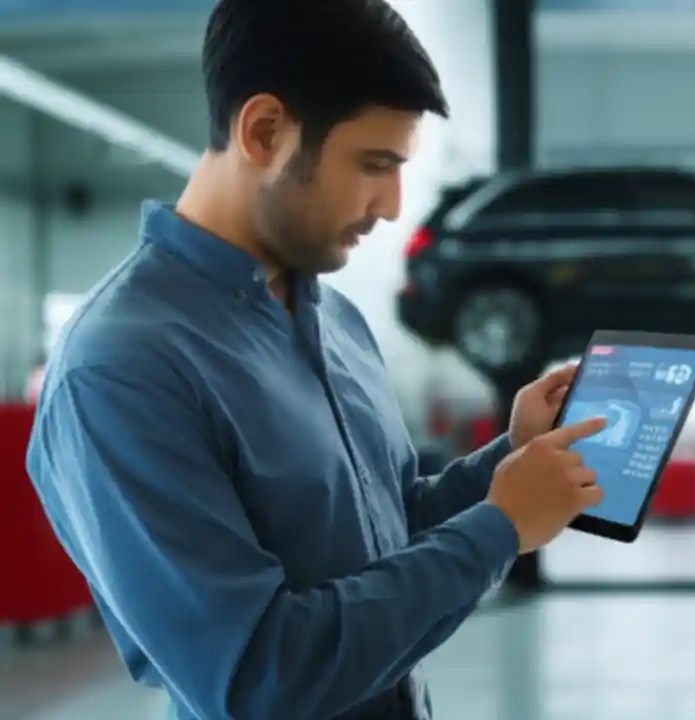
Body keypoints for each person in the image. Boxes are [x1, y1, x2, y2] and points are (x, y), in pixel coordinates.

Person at [24, 1, 606, 718]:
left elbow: (387, 537)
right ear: (265, 131)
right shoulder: (122, 369)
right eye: (373, 165)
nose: (392, 206)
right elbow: (260, 677)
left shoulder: (335, 321)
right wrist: (501, 528)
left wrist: (506, 465)